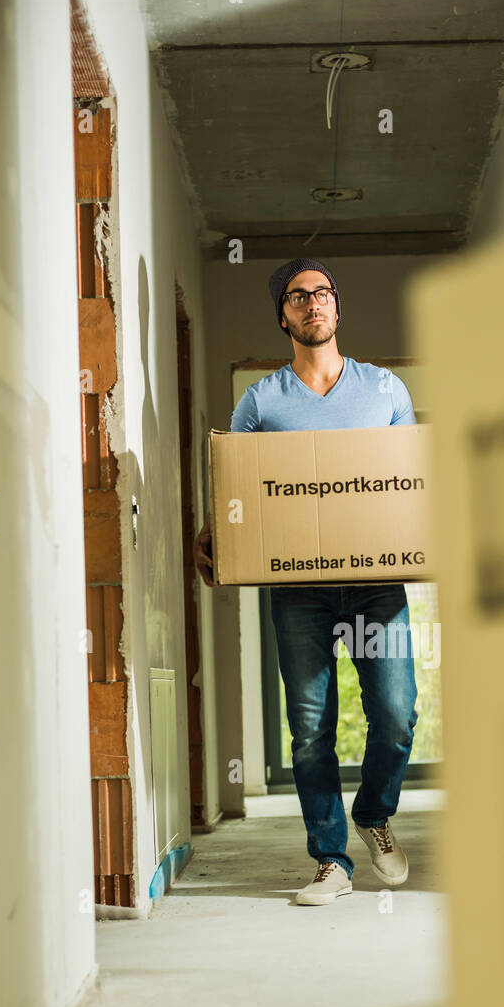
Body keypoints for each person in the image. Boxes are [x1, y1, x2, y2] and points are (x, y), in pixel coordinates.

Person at [194, 257, 419, 905]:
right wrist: (218, 532)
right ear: (282, 315)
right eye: (297, 296)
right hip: (299, 589)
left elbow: (408, 485)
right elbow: (235, 486)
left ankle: (372, 815)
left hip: (377, 583)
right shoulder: (261, 400)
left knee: (396, 712)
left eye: (322, 293)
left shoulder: (383, 391)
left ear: (337, 308)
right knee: (311, 725)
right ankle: (330, 861)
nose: (312, 303)